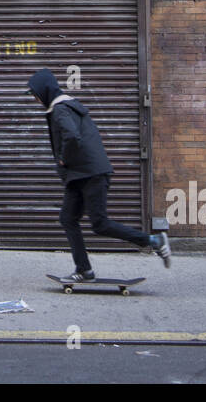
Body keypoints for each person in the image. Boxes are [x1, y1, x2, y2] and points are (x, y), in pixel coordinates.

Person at [27, 68, 170, 281]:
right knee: (67, 218)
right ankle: (84, 270)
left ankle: (154, 240)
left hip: (91, 174)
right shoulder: (67, 106)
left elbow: (72, 136)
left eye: (35, 94)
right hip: (80, 175)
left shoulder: (61, 110)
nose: (35, 99)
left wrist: (63, 158)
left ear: (44, 91)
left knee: (100, 224)